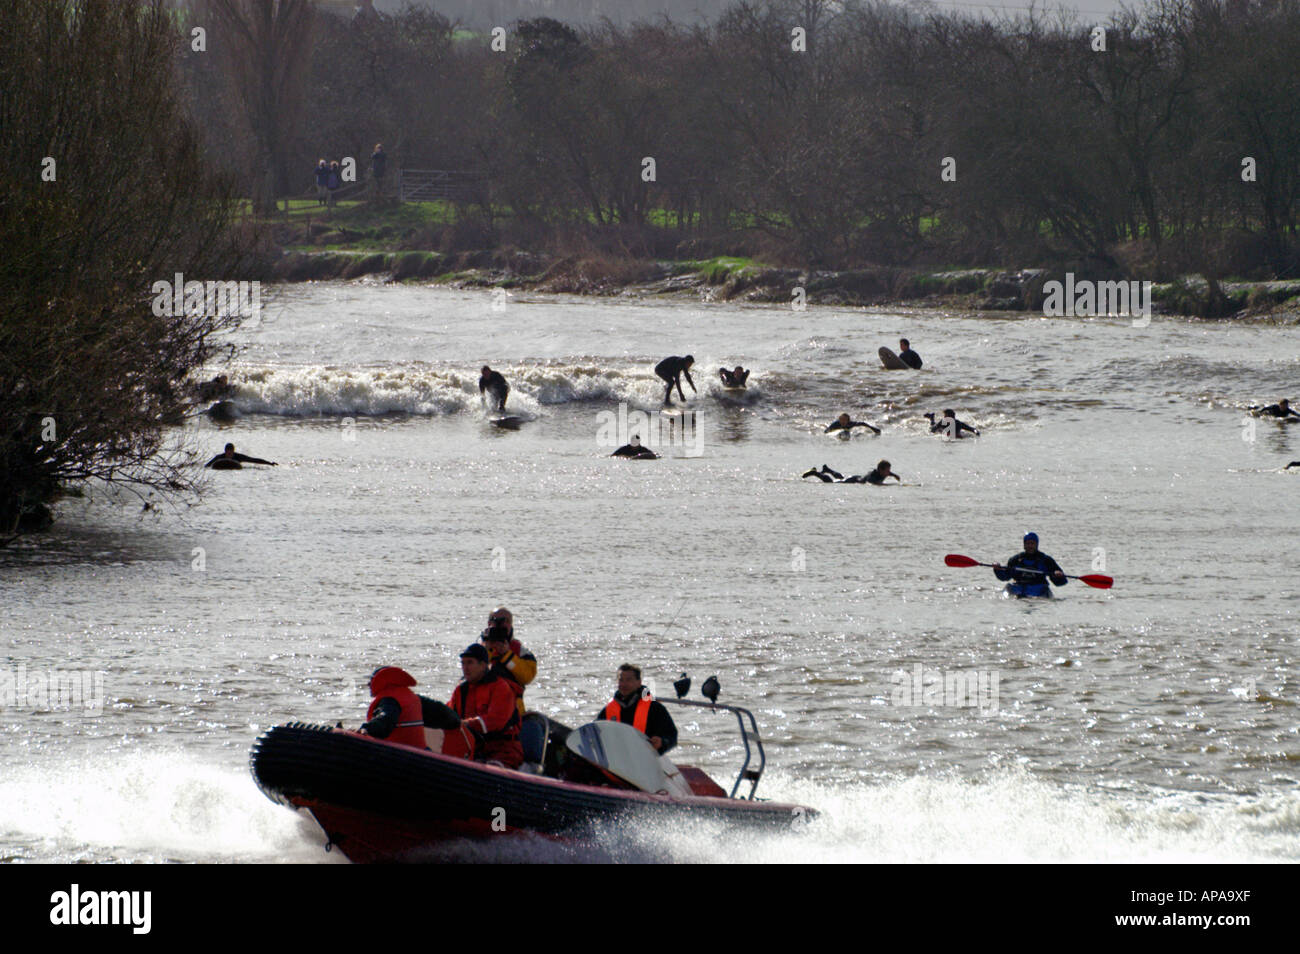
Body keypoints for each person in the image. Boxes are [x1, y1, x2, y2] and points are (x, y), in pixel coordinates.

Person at [448, 643, 523, 768]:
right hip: (473, 746)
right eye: (463, 663)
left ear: (483, 665)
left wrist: (464, 724)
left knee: (494, 767)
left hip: (503, 749)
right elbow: (449, 714)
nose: (465, 668)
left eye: (470, 663)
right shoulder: (460, 691)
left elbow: (495, 720)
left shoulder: (500, 688)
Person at [359, 666, 461, 749]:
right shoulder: (413, 698)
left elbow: (386, 720)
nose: (368, 685)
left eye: (370, 681)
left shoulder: (389, 700)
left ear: (378, 681)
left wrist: (366, 729)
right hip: (422, 755)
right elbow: (451, 719)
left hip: (399, 758)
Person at [596, 663, 678, 755]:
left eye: (629, 680)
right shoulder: (608, 710)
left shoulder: (654, 708)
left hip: (644, 759)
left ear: (639, 682)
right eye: (621, 680)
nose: (624, 684)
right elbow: (594, 734)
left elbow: (672, 737)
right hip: (615, 760)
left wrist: (662, 742)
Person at [480, 607, 537, 721]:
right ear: (489, 623)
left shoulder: (520, 651)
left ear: (511, 625)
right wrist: (487, 651)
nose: (501, 625)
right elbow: (470, 674)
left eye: (506, 621)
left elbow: (527, 677)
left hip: (513, 711)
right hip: (483, 710)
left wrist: (507, 656)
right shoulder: (479, 649)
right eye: (496, 621)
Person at [993, 532, 1067, 598]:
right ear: (1024, 545)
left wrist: (1058, 576)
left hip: (1039, 589)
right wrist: (997, 569)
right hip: (1018, 588)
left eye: (1032, 543)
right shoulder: (1015, 559)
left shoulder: (1046, 560)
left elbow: (1061, 583)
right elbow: (1005, 577)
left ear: (1037, 545)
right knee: (1009, 587)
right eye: (1027, 543)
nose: (1030, 546)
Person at [802, 460, 899, 483]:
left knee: (841, 478)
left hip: (856, 477)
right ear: (880, 470)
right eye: (887, 470)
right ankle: (815, 472)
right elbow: (871, 483)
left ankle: (828, 470)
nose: (889, 472)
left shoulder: (883, 472)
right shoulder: (873, 476)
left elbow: (889, 473)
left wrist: (895, 475)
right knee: (831, 482)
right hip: (853, 481)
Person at [204, 443, 276, 467]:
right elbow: (207, 465)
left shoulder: (238, 457)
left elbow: (254, 460)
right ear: (225, 451)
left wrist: (269, 463)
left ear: (233, 451)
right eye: (227, 452)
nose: (229, 454)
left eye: (230, 452)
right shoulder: (219, 457)